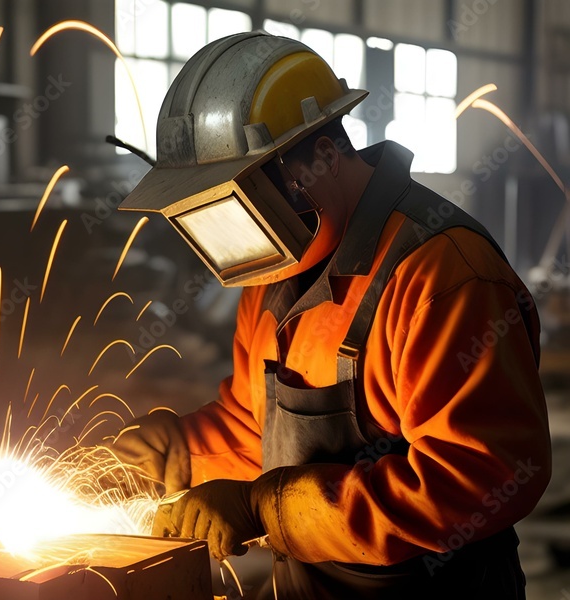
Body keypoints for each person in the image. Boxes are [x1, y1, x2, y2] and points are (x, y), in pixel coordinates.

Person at [109, 32, 551, 599]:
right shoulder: (274, 269)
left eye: (244, 201)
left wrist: (263, 508)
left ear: (322, 157)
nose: (241, 234)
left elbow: (474, 477)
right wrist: (171, 456)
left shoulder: (441, 275)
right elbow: (258, 427)